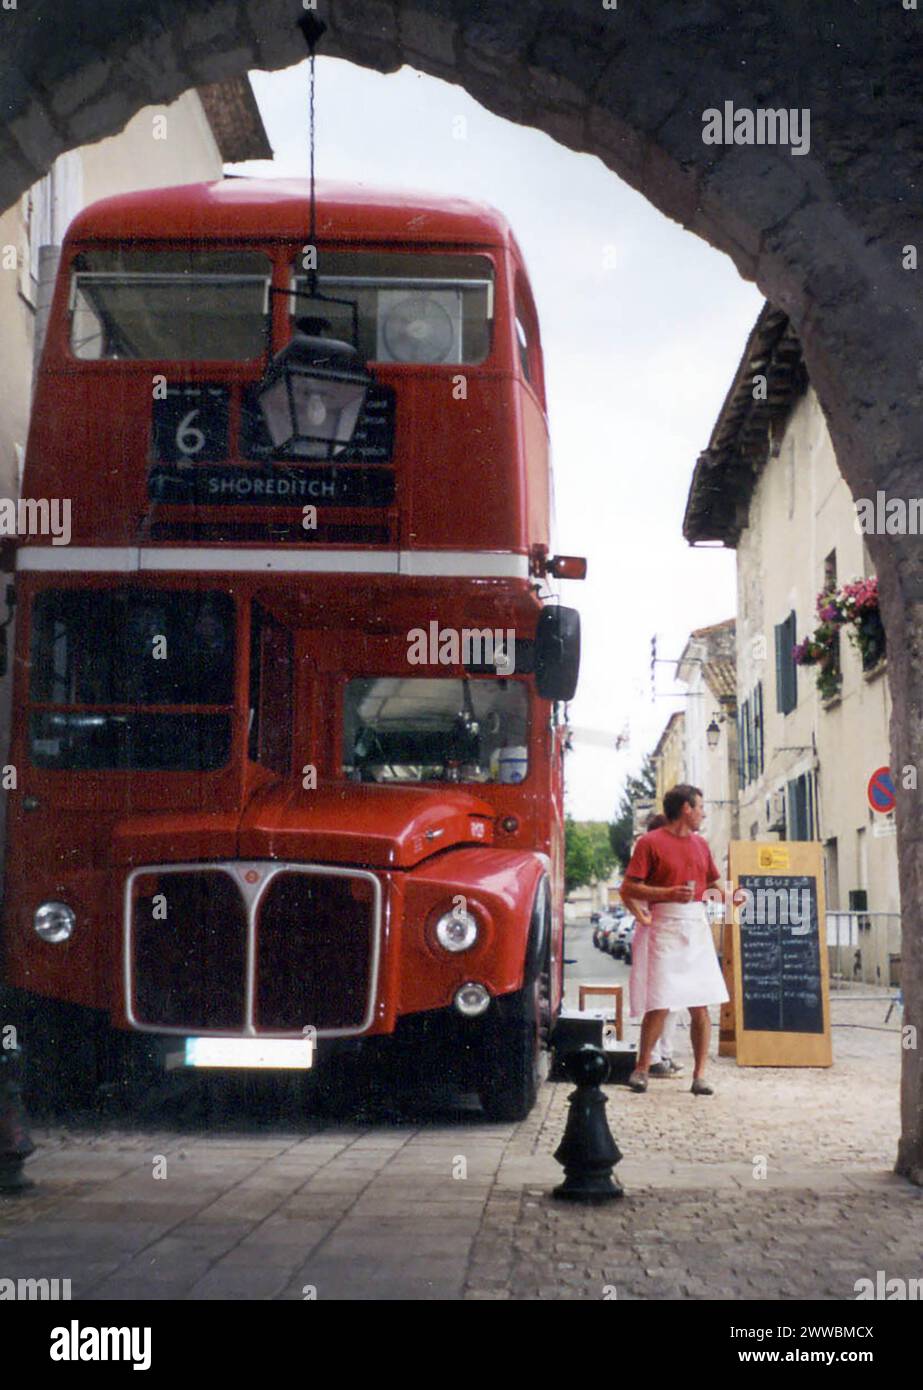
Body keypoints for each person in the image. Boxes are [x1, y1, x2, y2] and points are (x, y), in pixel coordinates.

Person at [621, 784, 730, 1096]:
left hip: (696, 924)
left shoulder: (701, 844)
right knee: (660, 1001)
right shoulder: (649, 843)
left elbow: (711, 882)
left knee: (700, 1004)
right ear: (686, 808)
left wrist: (734, 900)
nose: (703, 813)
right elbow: (629, 888)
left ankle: (700, 1076)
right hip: (665, 925)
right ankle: (641, 1069)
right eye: (700, 807)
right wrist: (666, 893)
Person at [622, 813, 684, 1077]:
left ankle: (665, 1053)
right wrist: (641, 916)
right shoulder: (647, 859)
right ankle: (654, 1057)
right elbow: (627, 891)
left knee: (674, 998)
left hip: (670, 931)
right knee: (657, 996)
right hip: (653, 933)